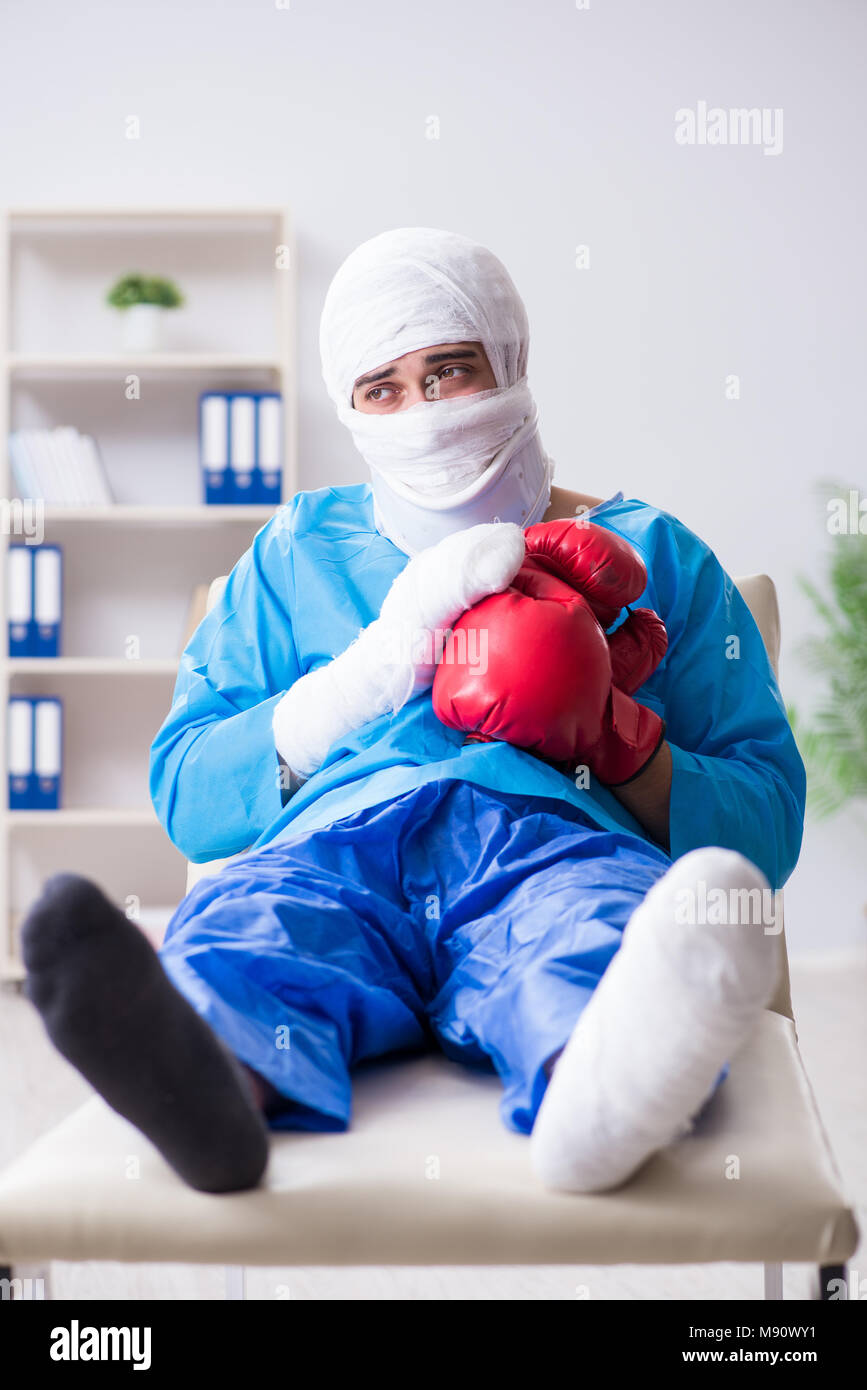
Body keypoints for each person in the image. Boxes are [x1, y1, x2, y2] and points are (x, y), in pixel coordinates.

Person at [21, 228, 806, 1198]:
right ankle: (213, 1090)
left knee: (600, 940)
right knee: (253, 939)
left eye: (450, 371)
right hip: (330, 849)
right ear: (349, 406)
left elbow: (766, 820)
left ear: (510, 365)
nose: (422, 411)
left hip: (559, 848)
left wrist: (619, 741)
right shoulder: (293, 553)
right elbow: (187, 788)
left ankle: (594, 1103)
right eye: (382, 388)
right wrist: (371, 670)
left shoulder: (653, 553)